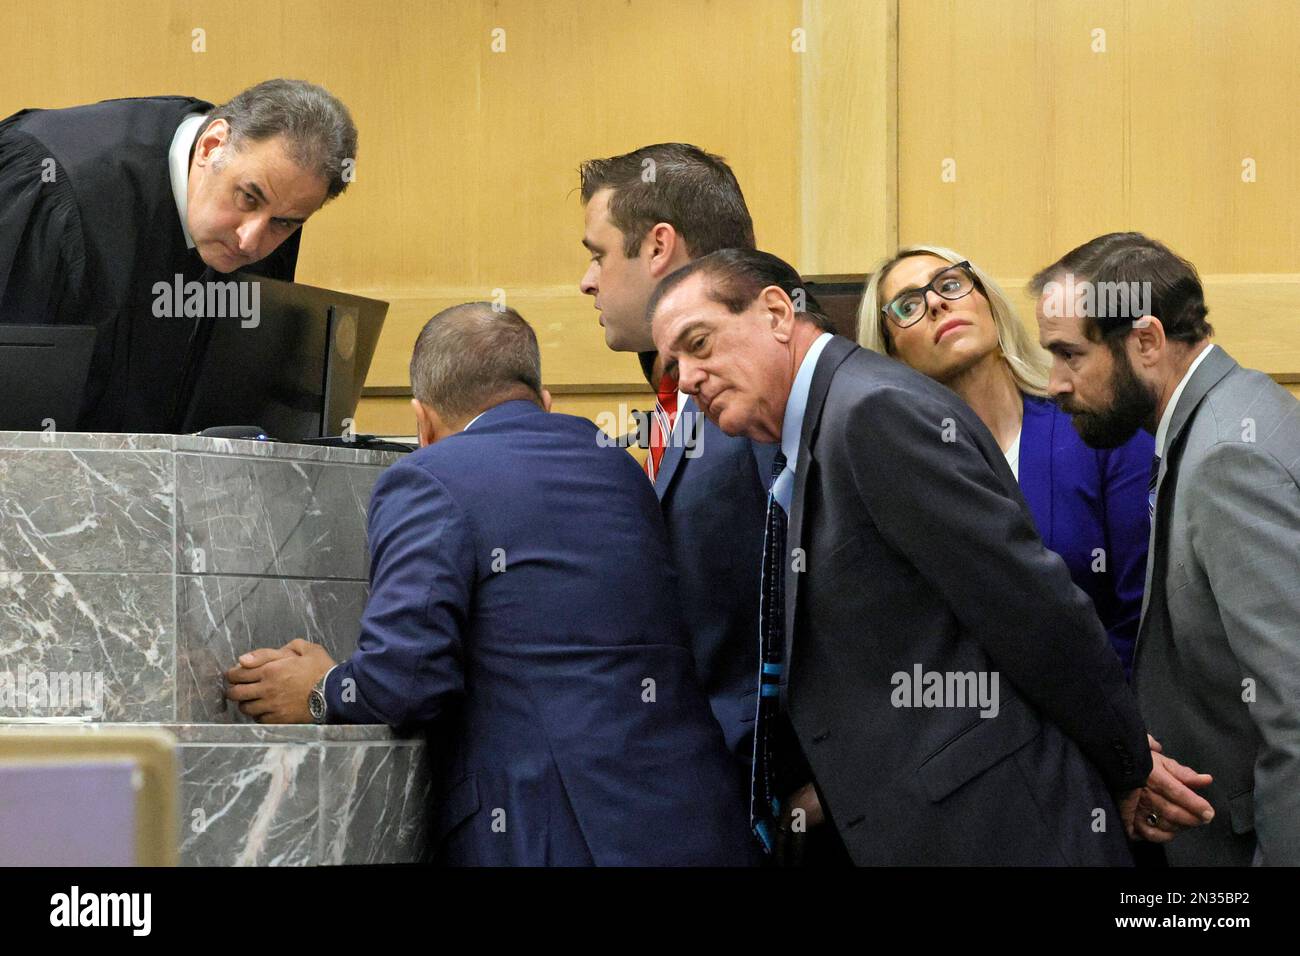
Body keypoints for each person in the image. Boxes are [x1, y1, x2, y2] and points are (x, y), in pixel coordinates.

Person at [646, 247, 1198, 865]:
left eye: (699, 344)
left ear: (777, 312)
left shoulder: (872, 411)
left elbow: (1031, 609)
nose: (688, 378)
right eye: (676, 365)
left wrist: (1127, 765)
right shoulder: (822, 426)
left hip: (1002, 832)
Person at [223, 303, 756, 866]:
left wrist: (321, 689)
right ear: (544, 402)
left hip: (548, 835)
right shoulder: (618, 469)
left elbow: (404, 682)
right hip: (692, 815)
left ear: (422, 421)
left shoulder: (426, 479)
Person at [1031, 232, 1300, 866]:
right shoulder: (1238, 405)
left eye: (1071, 355)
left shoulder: (1226, 459)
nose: (1054, 384)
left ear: (1146, 341)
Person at [578, 143, 776, 785]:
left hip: (767, 787)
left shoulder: (761, 387)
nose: (587, 281)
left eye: (598, 254)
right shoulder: (674, 388)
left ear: (658, 247)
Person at [859, 245, 1152, 675]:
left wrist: (1116, 728)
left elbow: (1142, 609)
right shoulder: (908, 476)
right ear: (894, 354)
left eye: (951, 284)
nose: (937, 303)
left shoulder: (1094, 425)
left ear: (989, 303)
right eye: (907, 306)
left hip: (1123, 708)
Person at [0, 78, 357, 431]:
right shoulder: (51, 184)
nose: (251, 241)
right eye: (248, 198)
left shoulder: (274, 204)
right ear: (211, 145)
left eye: (284, 223)